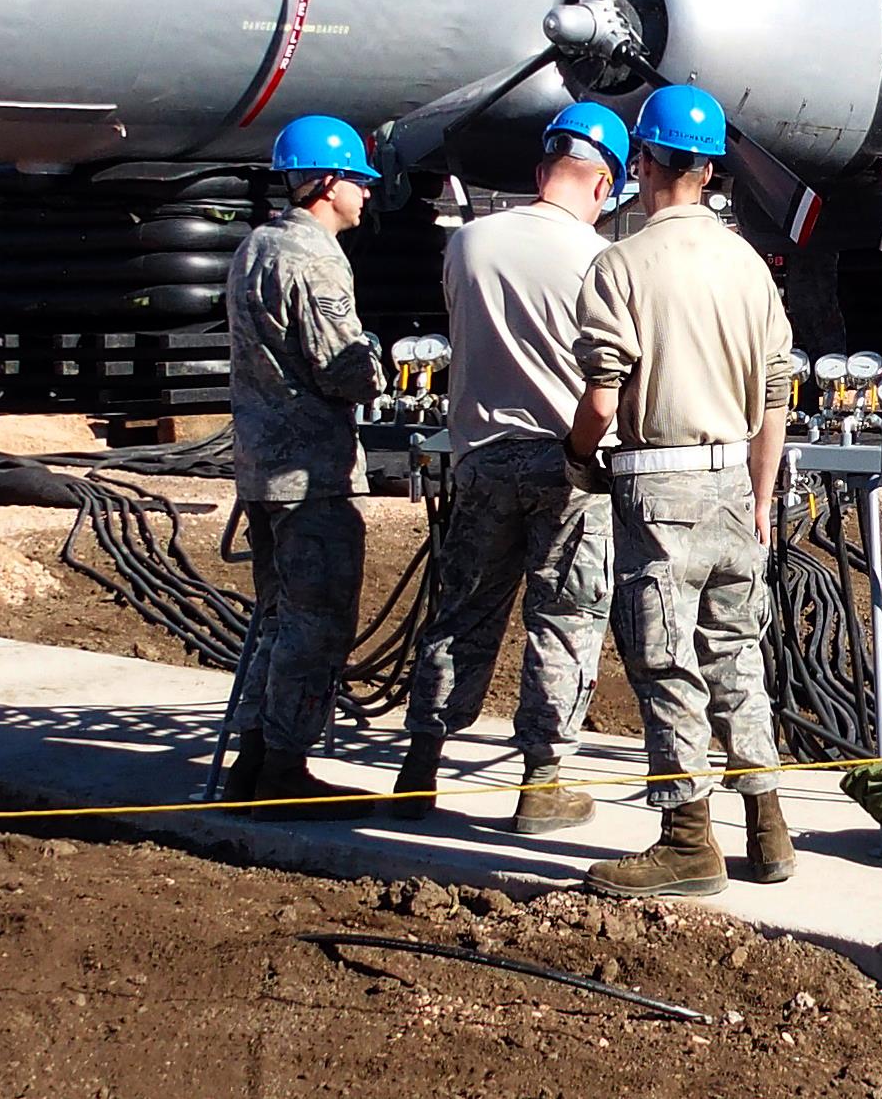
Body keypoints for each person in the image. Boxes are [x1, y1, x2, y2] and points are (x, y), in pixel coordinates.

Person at [567, 85, 801, 898]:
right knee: (737, 657)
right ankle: (768, 828)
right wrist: (760, 497)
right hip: (735, 481)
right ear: (707, 167)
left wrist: (576, 458)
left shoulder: (619, 265)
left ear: (644, 161)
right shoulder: (748, 265)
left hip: (656, 485)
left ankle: (686, 839)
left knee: (667, 663)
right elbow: (777, 395)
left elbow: (602, 398)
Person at [391, 102, 630, 833]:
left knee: (460, 613)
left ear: (540, 170)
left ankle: (420, 766)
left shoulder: (467, 242)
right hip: (568, 461)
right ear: (603, 184)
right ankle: (542, 781)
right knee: (562, 618)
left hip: (482, 458)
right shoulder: (600, 260)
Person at [223, 114, 389, 818]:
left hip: (265, 469)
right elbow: (345, 371)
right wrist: (380, 363)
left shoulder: (256, 247)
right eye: (356, 179)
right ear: (326, 183)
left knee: (277, 615)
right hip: (312, 476)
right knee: (315, 623)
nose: (366, 193)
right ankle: (284, 771)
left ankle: (255, 759)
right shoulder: (313, 259)